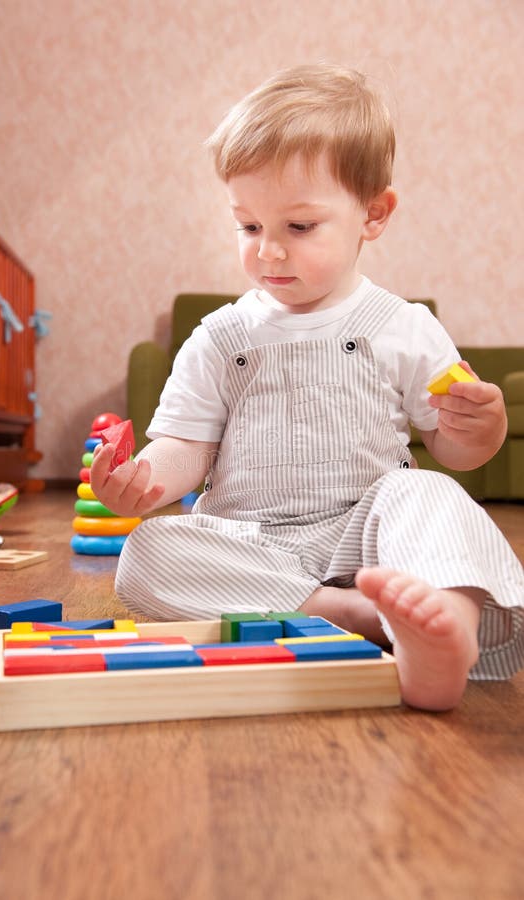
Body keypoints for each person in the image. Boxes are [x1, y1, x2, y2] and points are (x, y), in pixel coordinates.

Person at [91, 63, 524, 711]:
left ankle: (447, 632)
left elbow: (455, 450)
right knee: (147, 553)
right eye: (248, 226)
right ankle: (361, 617)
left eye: (297, 228)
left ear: (372, 215)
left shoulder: (403, 327)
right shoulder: (221, 336)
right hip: (250, 544)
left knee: (431, 491)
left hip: (367, 535)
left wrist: (478, 430)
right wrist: (144, 480)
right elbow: (185, 446)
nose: (267, 252)